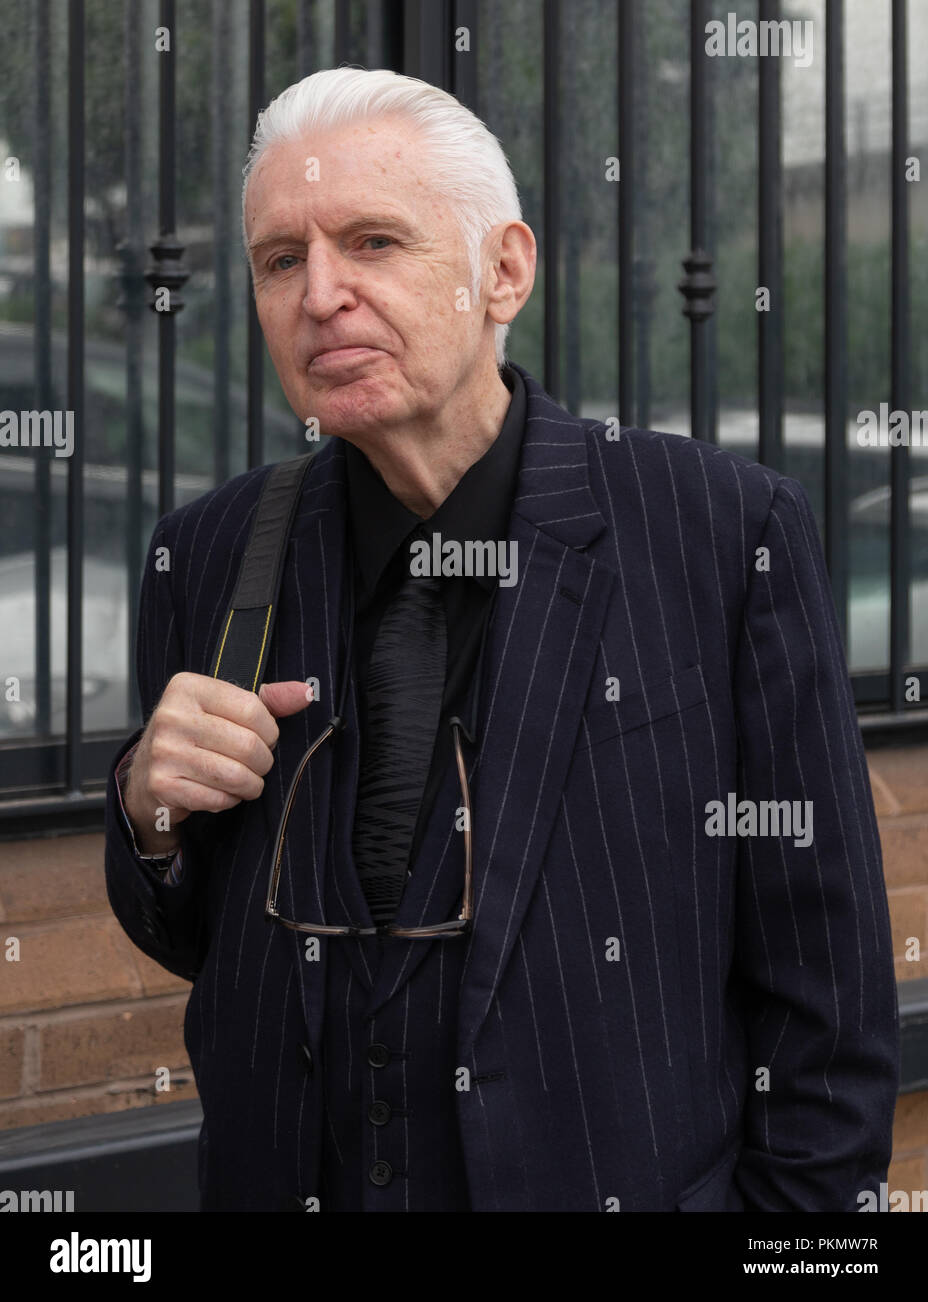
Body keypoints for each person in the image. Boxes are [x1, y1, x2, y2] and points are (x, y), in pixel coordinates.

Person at [104, 66, 899, 1212]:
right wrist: (152, 813)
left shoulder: (719, 532)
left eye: (372, 242)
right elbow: (201, 940)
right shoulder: (215, 553)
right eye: (281, 259)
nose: (320, 292)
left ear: (503, 271)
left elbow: (825, 988)